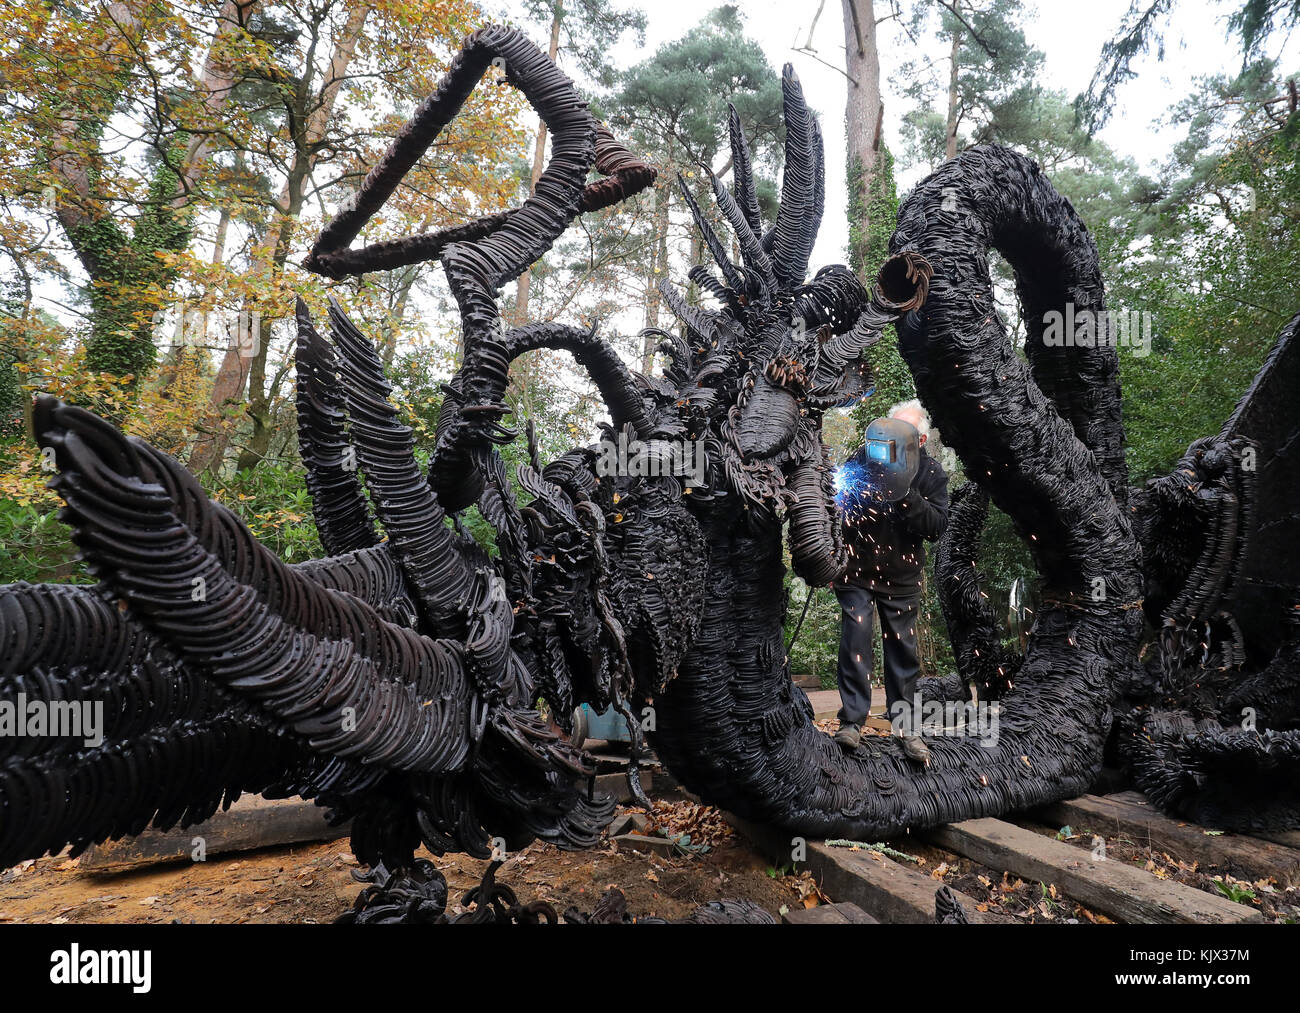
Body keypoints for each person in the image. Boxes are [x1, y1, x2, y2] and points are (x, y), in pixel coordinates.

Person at [832, 400, 949, 761]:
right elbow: (836, 499)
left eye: (904, 433)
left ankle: (907, 729)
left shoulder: (931, 473)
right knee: (857, 635)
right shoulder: (862, 461)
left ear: (922, 439)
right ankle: (852, 722)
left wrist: (905, 495)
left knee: (903, 653)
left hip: (901, 578)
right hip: (856, 572)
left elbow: (936, 526)